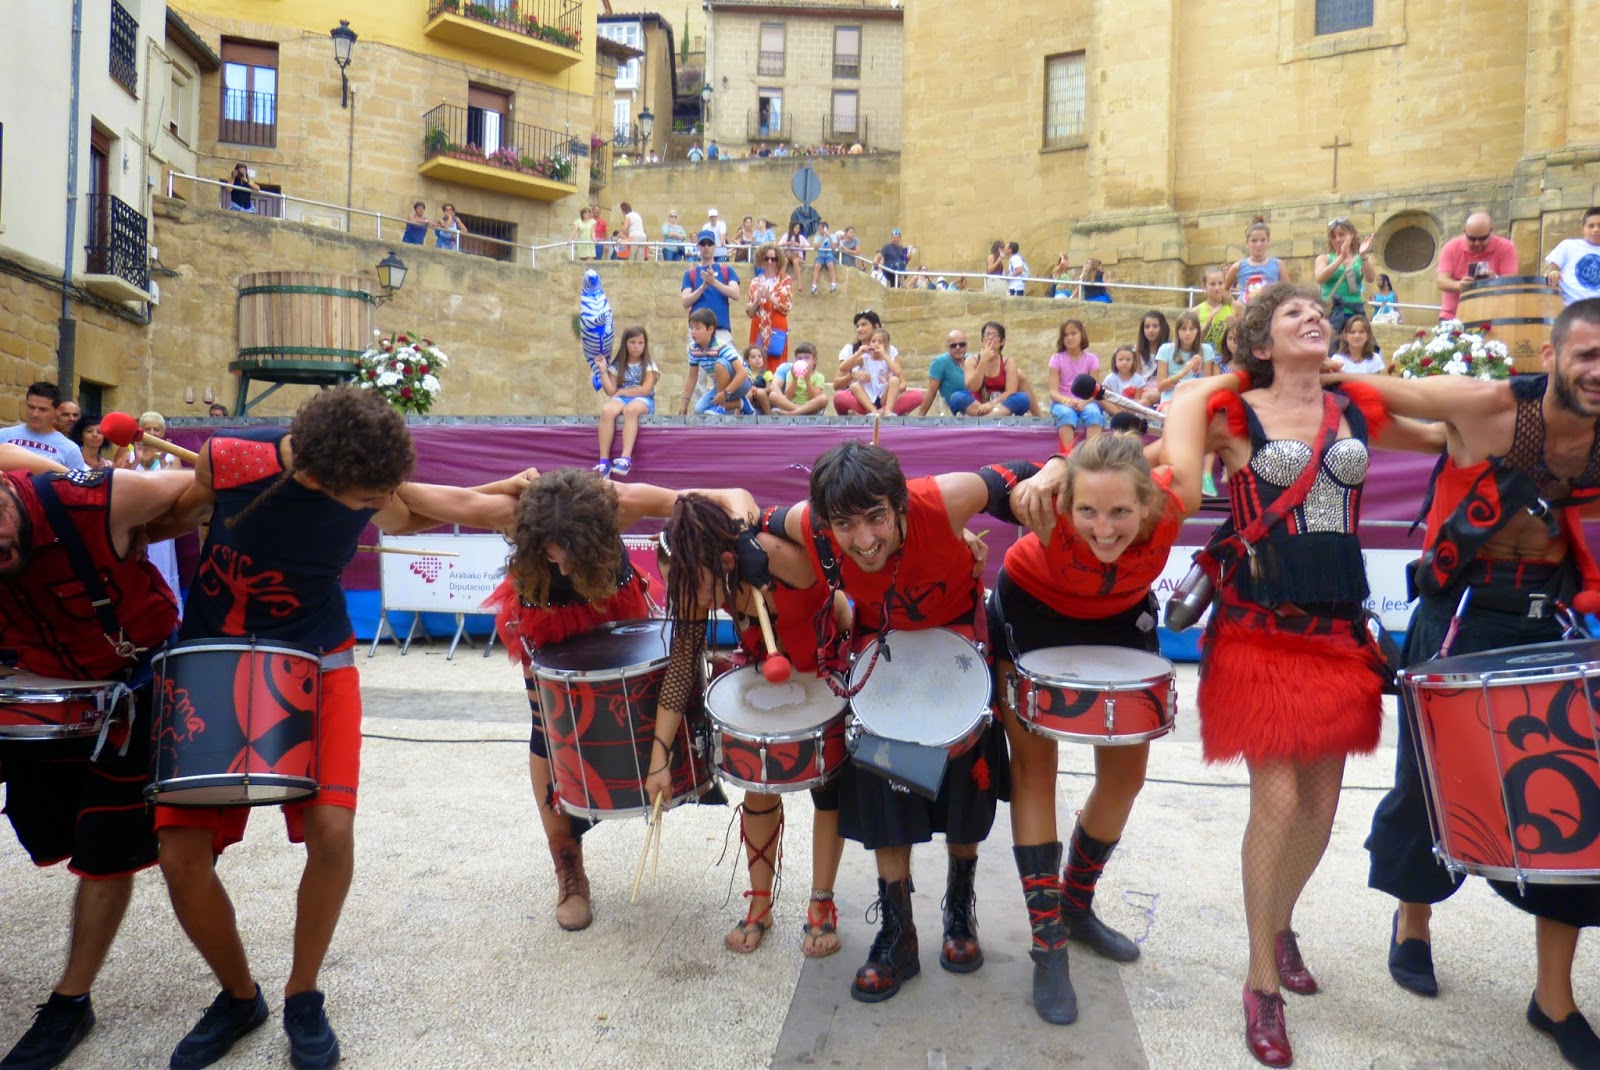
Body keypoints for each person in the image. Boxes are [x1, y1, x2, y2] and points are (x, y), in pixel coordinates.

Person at [149, 388, 515, 1070]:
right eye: (367, 496)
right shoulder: (226, 458)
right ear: (318, 476)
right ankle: (237, 997)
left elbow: (409, 515)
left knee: (334, 831)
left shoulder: (368, 484)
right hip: (213, 655)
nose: (378, 503)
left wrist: (498, 490)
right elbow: (172, 518)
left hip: (317, 658)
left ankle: (302, 993)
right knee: (179, 856)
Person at [1162, 283, 1442, 1068]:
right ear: (1260, 342)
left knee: (1320, 810)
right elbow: (1166, 469)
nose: (1313, 317)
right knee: (1278, 800)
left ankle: (1279, 922)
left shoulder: (1356, 409)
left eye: (1319, 311)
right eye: (1293, 314)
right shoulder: (1228, 416)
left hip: (1338, 630)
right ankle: (1260, 984)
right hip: (1257, 630)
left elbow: (1450, 431)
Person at [1357, 297, 1600, 1070]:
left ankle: (1553, 997)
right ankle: (1413, 923)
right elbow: (1371, 395)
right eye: (1588, 354)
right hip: (1460, 613)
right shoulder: (1491, 408)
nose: (1599, 372)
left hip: (1551, 622)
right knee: (1431, 785)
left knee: (1573, 799)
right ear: (1555, 355)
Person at [774, 442, 1048, 1003]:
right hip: (885, 662)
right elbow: (754, 522)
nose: (865, 540)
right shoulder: (811, 525)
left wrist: (1052, 477)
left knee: (966, 801)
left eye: (877, 517)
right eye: (845, 525)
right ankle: (897, 932)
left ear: (900, 505)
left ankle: (959, 910)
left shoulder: (945, 500)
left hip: (958, 651)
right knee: (885, 793)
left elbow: (1028, 474)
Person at [465, 470, 755, 934]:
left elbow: (729, 493)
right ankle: (569, 869)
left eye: (571, 556)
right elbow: (397, 513)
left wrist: (747, 534)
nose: (563, 569)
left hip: (614, 607)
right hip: (543, 622)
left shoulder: (619, 502)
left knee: (639, 712)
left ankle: (674, 774)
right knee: (548, 732)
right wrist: (499, 486)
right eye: (554, 557)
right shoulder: (510, 512)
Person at [994, 430, 1196, 1025]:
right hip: (1030, 605)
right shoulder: (1044, 501)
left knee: (1127, 776)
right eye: (1087, 511)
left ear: (1149, 505)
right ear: (1066, 502)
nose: (1104, 529)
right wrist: (1051, 465)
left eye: (1120, 512)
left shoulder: (1173, 502)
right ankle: (1047, 941)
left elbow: (1196, 412)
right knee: (1035, 769)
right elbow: (978, 483)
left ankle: (1076, 902)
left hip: (1118, 616)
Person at [0, 447, 191, 1070]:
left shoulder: (97, 498)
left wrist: (142, 533)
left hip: (136, 684)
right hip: (40, 686)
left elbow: (203, 486)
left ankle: (70, 1000)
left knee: (106, 847)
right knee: (46, 828)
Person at [652, 493, 849, 956]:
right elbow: (682, 666)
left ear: (724, 560)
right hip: (766, 668)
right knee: (757, 780)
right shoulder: (700, 578)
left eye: (692, 586)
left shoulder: (781, 560)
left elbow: (841, 561)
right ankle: (760, 905)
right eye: (674, 587)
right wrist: (659, 757)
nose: (687, 600)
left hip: (825, 664)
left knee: (830, 787)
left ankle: (822, 905)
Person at [129, 411, 185, 610]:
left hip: (160, 518)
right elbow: (119, 479)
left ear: (163, 433)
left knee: (161, 562)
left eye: (157, 429)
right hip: (133, 518)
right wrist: (136, 459)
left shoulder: (171, 454)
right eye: (148, 428)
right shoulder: (128, 451)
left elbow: (177, 485)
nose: (152, 432)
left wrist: (162, 463)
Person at [595, 326, 658, 477]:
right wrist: (603, 370)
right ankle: (604, 461)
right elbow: (611, 391)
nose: (637, 346)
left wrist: (622, 392)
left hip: (643, 399)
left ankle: (625, 458)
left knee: (631, 410)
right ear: (625, 344)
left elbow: (645, 390)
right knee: (607, 410)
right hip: (621, 399)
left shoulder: (649, 364)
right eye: (633, 342)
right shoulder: (617, 366)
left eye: (641, 343)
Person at [679, 231, 741, 375]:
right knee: (697, 375)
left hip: (721, 329)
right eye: (703, 244)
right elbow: (685, 302)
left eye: (709, 244)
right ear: (698, 246)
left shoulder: (726, 270)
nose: (706, 247)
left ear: (715, 246)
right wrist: (702, 288)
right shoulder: (691, 274)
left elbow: (736, 294)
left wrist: (714, 282)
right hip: (697, 329)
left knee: (727, 371)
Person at [1436, 211, 1518, 320]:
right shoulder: (1450, 247)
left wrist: (1495, 280)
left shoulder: (1505, 247)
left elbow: (1513, 281)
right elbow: (1441, 282)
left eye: (1483, 238)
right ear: (1464, 231)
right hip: (1453, 315)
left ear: (1491, 230)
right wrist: (1461, 286)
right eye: (1472, 238)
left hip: (1493, 316)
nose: (1477, 243)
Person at [1048, 319, 1107, 449]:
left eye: (1073, 333)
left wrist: (1085, 402)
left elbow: (1095, 390)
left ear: (1082, 335)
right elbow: (1052, 392)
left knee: (1094, 414)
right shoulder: (1056, 359)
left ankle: (1091, 456)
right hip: (1062, 401)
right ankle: (1067, 455)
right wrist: (1065, 400)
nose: (1069, 337)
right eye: (1065, 334)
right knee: (1067, 414)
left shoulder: (1091, 360)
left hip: (1086, 402)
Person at [0, 381, 87, 470]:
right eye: (31, 407)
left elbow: (76, 483)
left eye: (42, 409)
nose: (35, 414)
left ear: (57, 410)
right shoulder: (3, 436)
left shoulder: (70, 449)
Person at [684, 308, 752, 415]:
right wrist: (684, 404)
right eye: (691, 328)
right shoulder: (693, 349)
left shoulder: (722, 346)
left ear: (710, 329)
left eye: (697, 328)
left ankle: (721, 406)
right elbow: (692, 377)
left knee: (720, 364)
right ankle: (741, 403)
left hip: (742, 383)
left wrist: (724, 394)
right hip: (721, 386)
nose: (693, 332)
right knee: (700, 410)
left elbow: (742, 373)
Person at [1315, 217, 1376, 334]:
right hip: (1332, 311)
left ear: (1351, 235)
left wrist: (1363, 255)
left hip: (1355, 311)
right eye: (1333, 237)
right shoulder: (1325, 258)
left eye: (1341, 235)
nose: (1338, 239)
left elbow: (1371, 278)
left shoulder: (1359, 258)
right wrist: (1341, 257)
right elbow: (1320, 277)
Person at [960, 320, 1033, 418]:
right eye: (987, 335)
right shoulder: (971, 361)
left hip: (1000, 406)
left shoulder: (1009, 363)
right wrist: (983, 361)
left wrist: (991, 405)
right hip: (977, 406)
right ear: (982, 340)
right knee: (957, 397)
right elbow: (972, 387)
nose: (990, 338)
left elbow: (1010, 392)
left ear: (1002, 342)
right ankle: (991, 417)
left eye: (994, 335)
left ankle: (986, 418)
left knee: (1023, 398)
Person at [840, 327, 907, 416]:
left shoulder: (888, 359)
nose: (876, 344)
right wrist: (858, 353)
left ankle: (887, 412)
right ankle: (874, 411)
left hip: (883, 396)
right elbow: (843, 368)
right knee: (854, 386)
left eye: (880, 342)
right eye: (873, 341)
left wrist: (884, 355)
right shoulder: (865, 358)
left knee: (894, 380)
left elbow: (897, 372)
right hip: (868, 397)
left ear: (886, 345)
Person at [746, 243, 793, 365]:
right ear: (762, 259)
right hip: (758, 325)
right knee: (757, 362)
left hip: (777, 325)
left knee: (776, 361)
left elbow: (786, 308)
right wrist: (757, 300)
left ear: (778, 261)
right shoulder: (755, 282)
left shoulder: (785, 280)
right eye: (767, 258)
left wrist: (769, 297)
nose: (770, 262)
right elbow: (750, 313)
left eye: (773, 259)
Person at [1155, 310, 1214, 406]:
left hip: (1196, 398)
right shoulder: (1165, 349)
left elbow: (1207, 385)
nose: (1187, 333)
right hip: (1172, 397)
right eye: (1183, 329)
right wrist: (1183, 373)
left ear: (1197, 331)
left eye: (1191, 329)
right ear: (1177, 331)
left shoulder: (1206, 350)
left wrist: (1198, 372)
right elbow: (1160, 386)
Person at [1544, 206, 1600, 306]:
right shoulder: (1568, 246)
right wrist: (1553, 273)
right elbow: (1551, 271)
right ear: (1583, 229)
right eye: (1591, 226)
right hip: (1571, 309)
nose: (1596, 230)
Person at [1225, 217, 1290, 302]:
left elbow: (1288, 291)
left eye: (1263, 240)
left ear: (1268, 241)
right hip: (1245, 311)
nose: (1258, 244)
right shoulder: (1237, 267)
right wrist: (1235, 305)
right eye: (1254, 241)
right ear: (1247, 243)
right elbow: (1224, 290)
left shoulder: (1278, 264)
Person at [913, 331, 975, 417]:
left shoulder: (972, 359)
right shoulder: (939, 363)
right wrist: (920, 417)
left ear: (967, 345)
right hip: (961, 410)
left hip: (980, 405)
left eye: (962, 344)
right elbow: (931, 392)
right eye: (953, 345)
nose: (958, 348)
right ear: (947, 347)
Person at [770, 343, 831, 415]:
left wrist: (807, 380)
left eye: (806, 358)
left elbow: (814, 397)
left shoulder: (819, 377)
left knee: (824, 398)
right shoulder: (790, 374)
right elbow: (788, 396)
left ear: (814, 360)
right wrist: (794, 380)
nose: (803, 361)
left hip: (810, 404)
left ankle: (791, 414)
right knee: (772, 395)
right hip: (792, 404)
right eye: (799, 358)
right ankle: (801, 412)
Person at [1196, 267, 1240, 353]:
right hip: (1205, 359)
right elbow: (1193, 343)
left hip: (1227, 359)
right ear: (1204, 286)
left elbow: (1244, 340)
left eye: (1220, 283)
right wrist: (1208, 322)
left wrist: (1235, 326)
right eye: (1212, 284)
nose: (1217, 288)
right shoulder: (1196, 312)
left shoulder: (1237, 307)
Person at [1135, 311, 1171, 382]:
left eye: (1155, 326)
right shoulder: (1138, 348)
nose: (1151, 330)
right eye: (1147, 327)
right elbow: (1137, 374)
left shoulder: (1170, 348)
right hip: (1143, 386)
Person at [810, 220, 838, 295]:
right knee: (817, 266)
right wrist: (822, 238)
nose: (818, 230)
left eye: (820, 229)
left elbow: (834, 248)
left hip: (830, 256)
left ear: (825, 229)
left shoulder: (832, 236)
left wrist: (829, 237)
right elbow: (815, 248)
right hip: (821, 256)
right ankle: (814, 285)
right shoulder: (817, 237)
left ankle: (833, 284)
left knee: (830, 265)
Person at [780, 222, 810, 286]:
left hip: (798, 256)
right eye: (796, 228)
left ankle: (800, 283)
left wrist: (799, 245)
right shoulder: (786, 236)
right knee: (784, 260)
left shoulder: (801, 237)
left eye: (798, 228)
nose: (797, 230)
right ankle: (780, 279)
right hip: (788, 256)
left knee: (795, 262)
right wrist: (786, 243)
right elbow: (779, 244)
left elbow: (808, 245)